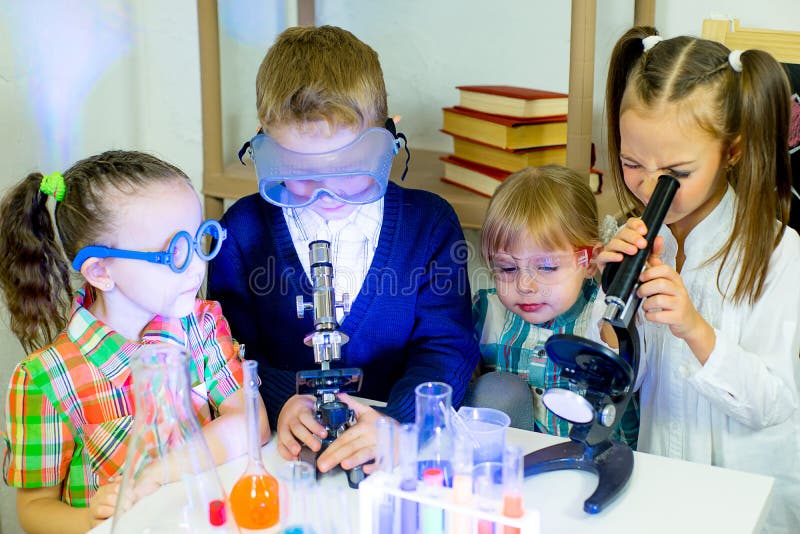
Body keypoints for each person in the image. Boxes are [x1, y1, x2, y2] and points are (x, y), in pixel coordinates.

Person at [207, 25, 479, 475]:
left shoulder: (429, 225)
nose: (325, 189)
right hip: (278, 453)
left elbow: (447, 346)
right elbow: (226, 353)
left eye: (349, 165)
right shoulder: (242, 231)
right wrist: (276, 400)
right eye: (298, 168)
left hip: (394, 456)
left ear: (390, 135)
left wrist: (398, 423)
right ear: (263, 143)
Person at [0, 151, 267, 533]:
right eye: (175, 250)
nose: (196, 265)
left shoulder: (202, 325)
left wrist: (157, 474)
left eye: (198, 239)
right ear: (101, 271)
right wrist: (87, 518)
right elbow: (34, 510)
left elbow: (251, 423)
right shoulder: (44, 380)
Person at [598, 27, 800, 532]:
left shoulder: (779, 253)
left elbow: (773, 403)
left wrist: (694, 328)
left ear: (731, 152)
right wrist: (609, 308)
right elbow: (613, 386)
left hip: (750, 502)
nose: (647, 185)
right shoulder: (622, 234)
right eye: (630, 162)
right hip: (663, 483)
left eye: (676, 173)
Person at [469, 165, 638, 447]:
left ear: (591, 262)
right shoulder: (485, 312)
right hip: (513, 467)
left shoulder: (601, 314)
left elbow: (618, 373)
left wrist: (612, 298)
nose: (525, 285)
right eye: (508, 268)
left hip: (593, 467)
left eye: (547, 267)